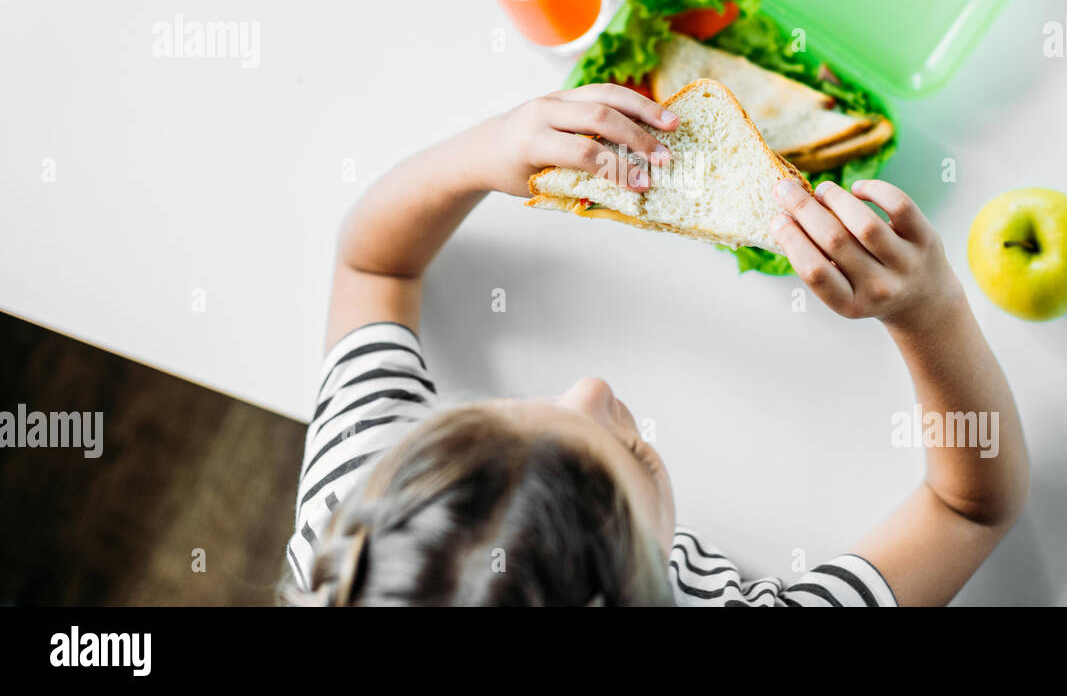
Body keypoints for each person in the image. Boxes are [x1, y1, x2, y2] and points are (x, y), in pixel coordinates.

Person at [283, 84, 1029, 606]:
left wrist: (486, 150)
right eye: (632, 457)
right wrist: (930, 313)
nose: (593, 389)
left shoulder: (362, 516)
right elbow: (970, 510)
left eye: (503, 413)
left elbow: (372, 267)